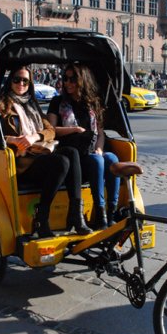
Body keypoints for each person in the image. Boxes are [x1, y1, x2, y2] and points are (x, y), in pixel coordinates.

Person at [0, 65, 92, 238]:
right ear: (10, 81)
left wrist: (35, 136)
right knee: (61, 162)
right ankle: (42, 217)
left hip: (39, 152)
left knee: (71, 152)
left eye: (25, 81)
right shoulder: (2, 106)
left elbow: (51, 130)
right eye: (17, 79)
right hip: (22, 162)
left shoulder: (32, 104)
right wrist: (12, 140)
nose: (21, 84)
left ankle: (75, 214)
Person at [47, 63, 120, 229]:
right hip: (72, 155)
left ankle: (111, 212)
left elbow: (100, 133)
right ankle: (99, 213)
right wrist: (73, 129)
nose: (68, 83)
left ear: (83, 80)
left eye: (73, 79)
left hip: (92, 150)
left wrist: (100, 149)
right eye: (65, 78)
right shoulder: (58, 102)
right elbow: (51, 130)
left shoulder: (93, 103)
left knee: (112, 159)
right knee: (97, 161)